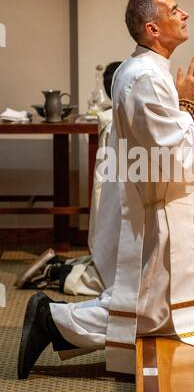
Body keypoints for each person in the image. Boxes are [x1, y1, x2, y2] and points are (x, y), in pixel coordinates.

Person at [17, 0, 194, 379]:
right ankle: (52, 320)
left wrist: (183, 103)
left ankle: (58, 324)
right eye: (174, 9)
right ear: (153, 28)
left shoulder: (147, 69)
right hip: (161, 208)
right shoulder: (145, 78)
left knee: (177, 305)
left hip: (167, 203)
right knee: (153, 311)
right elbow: (170, 156)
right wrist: (190, 102)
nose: (185, 13)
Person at [15, 62, 122, 297]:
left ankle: (58, 268)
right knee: (117, 279)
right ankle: (57, 273)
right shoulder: (119, 121)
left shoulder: (112, 118)